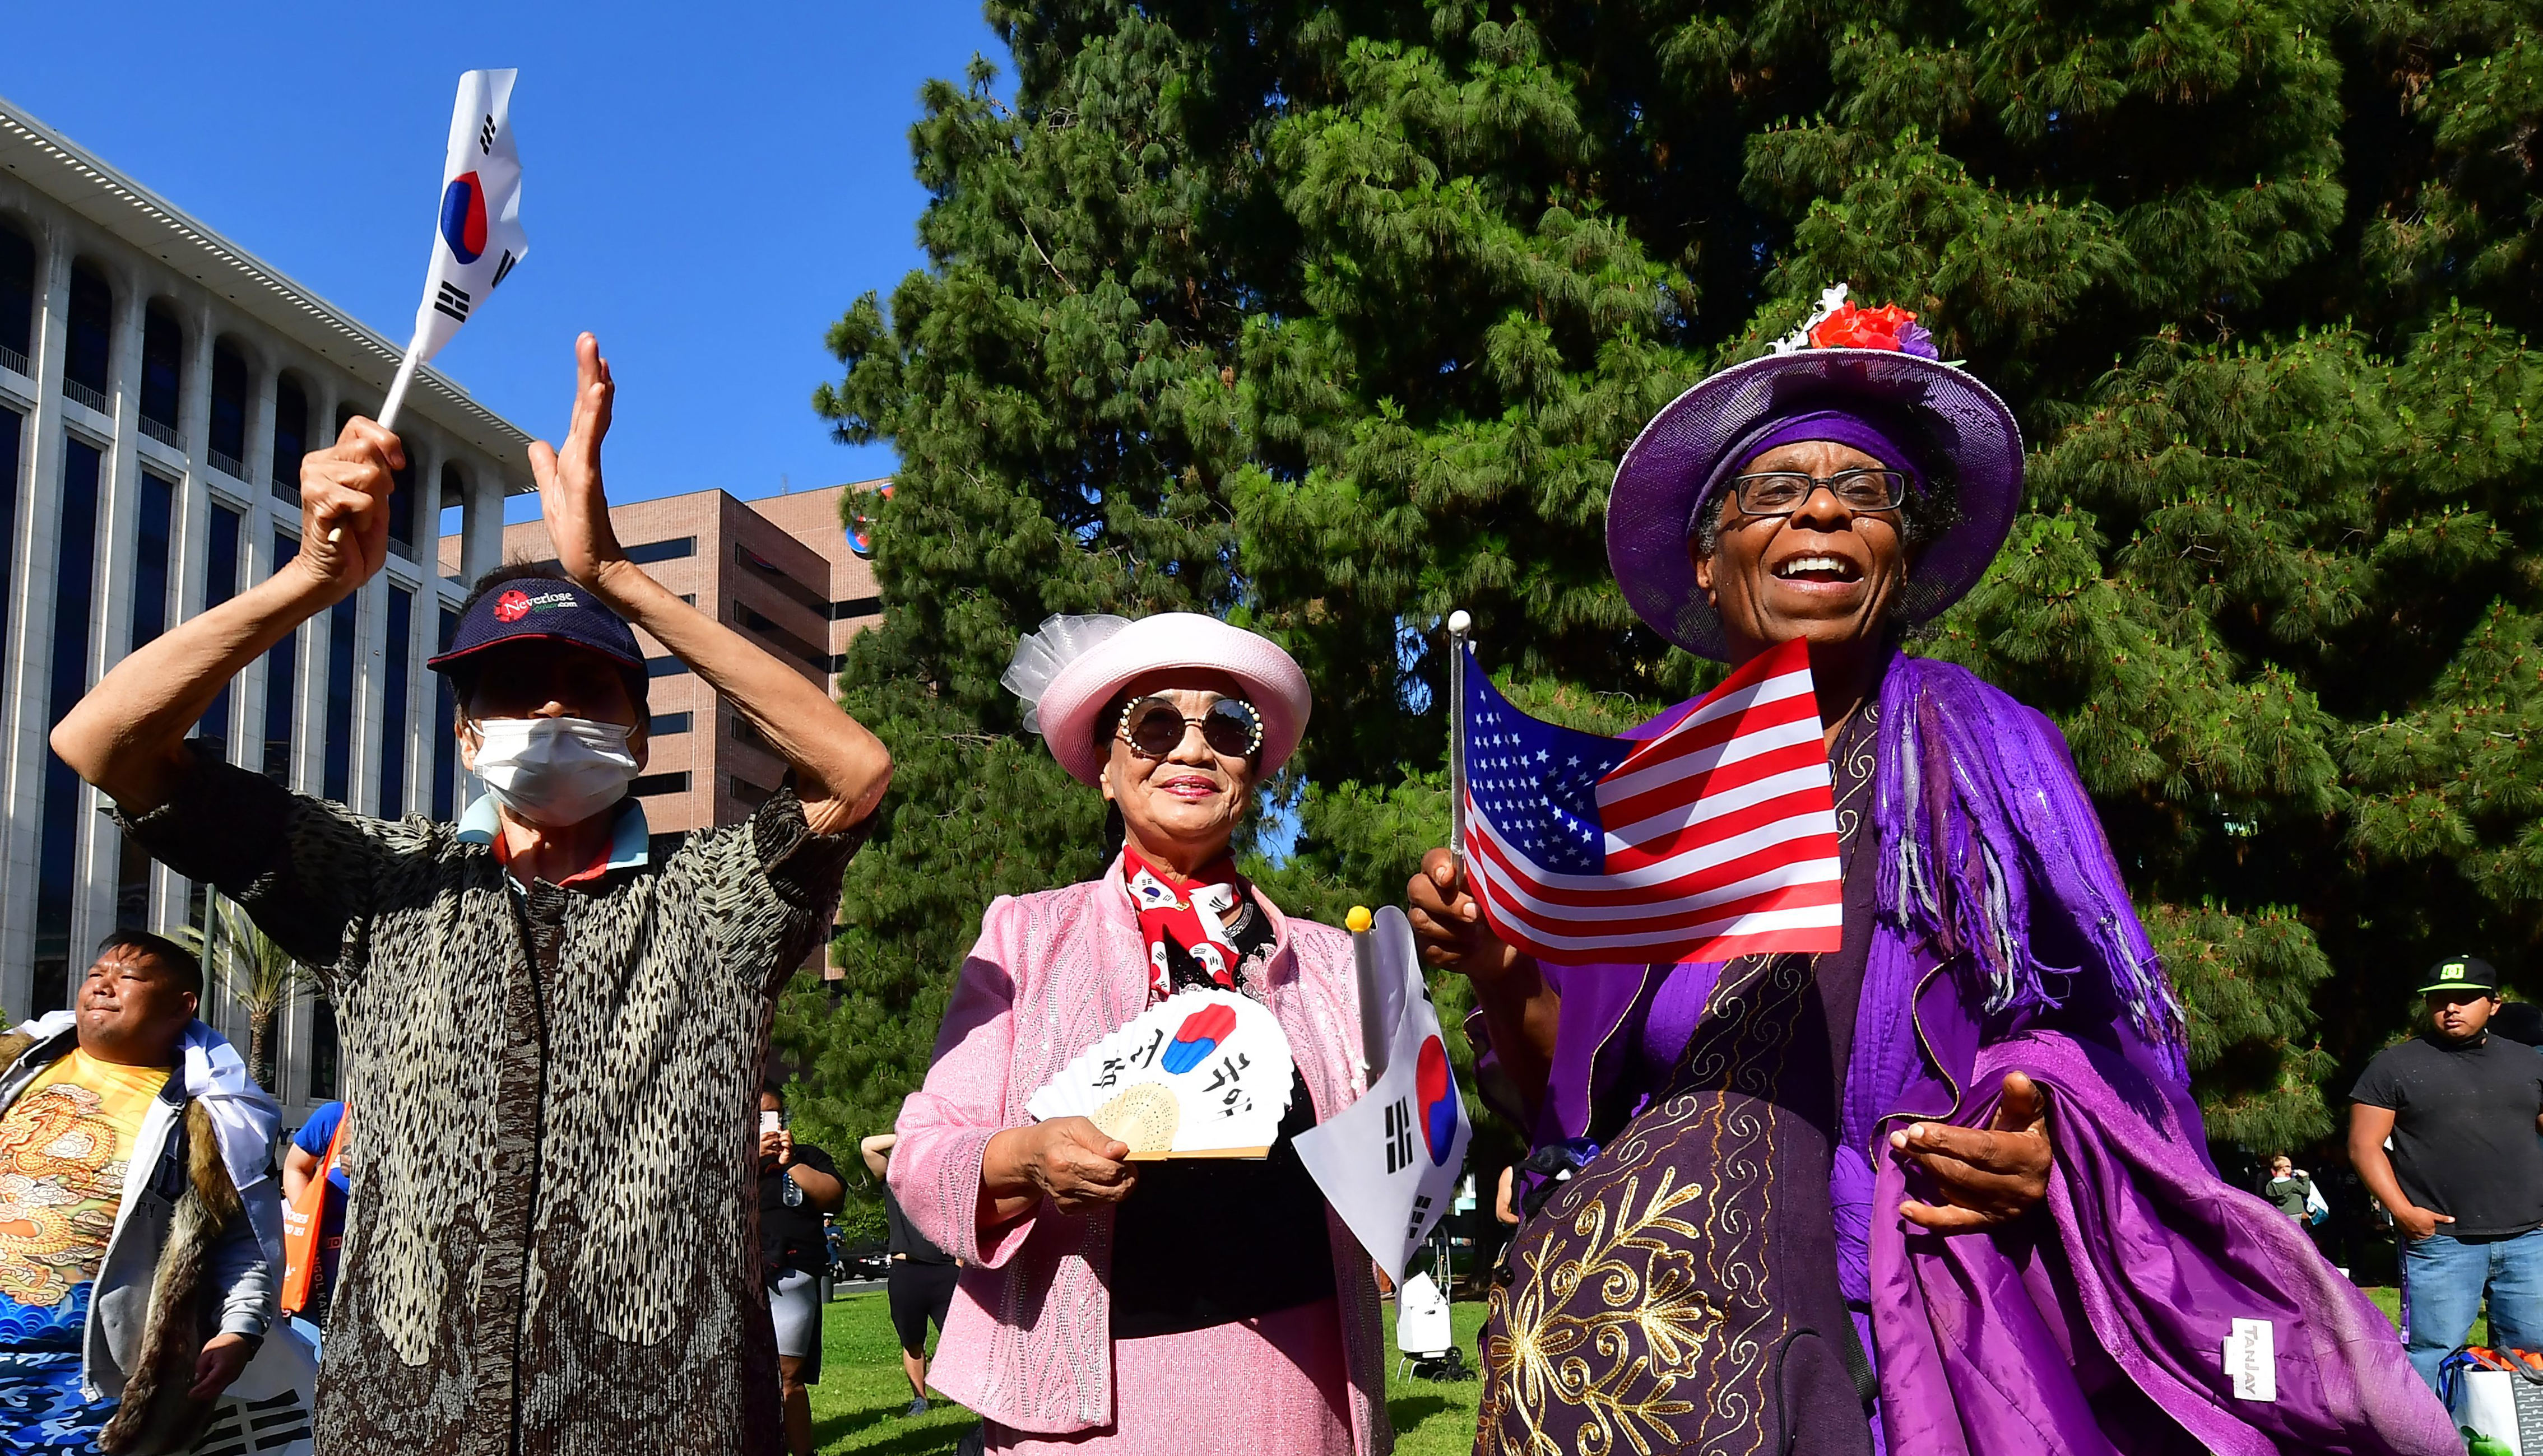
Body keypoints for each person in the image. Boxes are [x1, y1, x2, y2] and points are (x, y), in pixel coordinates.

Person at [1412, 290, 2454, 1454]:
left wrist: (2051, 1145)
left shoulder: (1981, 751)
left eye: (1864, 493)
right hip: (1612, 1352)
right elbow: (1577, 1082)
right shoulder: (1655, 782)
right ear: (1710, 565)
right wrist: (1501, 963)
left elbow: (2114, 1039)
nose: (1821, 509)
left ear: (1901, 558)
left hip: (1886, 1324)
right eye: (1773, 491)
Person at [47, 334, 893, 1456]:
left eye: (588, 684)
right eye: (514, 688)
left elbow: (853, 770)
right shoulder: (384, 884)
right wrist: (311, 580)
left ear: (641, 729)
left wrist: (618, 581)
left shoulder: (711, 902)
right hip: (406, 1426)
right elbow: (104, 740)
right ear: (465, 730)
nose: (550, 711)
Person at [891, 612, 1391, 1455]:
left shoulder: (1334, 962)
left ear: (1253, 768)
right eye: (1154, 724)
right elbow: (922, 1156)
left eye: (1227, 727)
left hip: (1300, 1393)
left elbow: (1397, 1153)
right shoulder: (1024, 934)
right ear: (1106, 772)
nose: (1193, 749)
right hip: (1093, 1406)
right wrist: (1030, 1157)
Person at [1, 931, 296, 1453]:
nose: (103, 987)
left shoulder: (216, 1118)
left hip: (87, 1381)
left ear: (182, 1005)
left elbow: (244, 1237)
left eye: (128, 978)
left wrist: (240, 1327)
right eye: (96, 974)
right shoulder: (15, 1067)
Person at [2350, 956, 2543, 1390]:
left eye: (2464, 998)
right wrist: (2402, 1211)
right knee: (2433, 1353)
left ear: (2494, 1004)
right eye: (2439, 1000)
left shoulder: (2529, 1063)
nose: (2451, 1008)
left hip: (2530, 1238)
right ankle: (2434, 1442)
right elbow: (2364, 1146)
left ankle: (2523, 1439)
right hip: (2441, 1243)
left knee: (2533, 1351)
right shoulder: (2394, 1065)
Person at [760, 1086, 844, 1456]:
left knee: (788, 1378)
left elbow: (832, 1195)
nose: (770, 1124)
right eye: (760, 1116)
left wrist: (790, 1162)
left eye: (775, 1115)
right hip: (737, 1279)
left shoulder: (808, 1157)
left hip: (793, 1274)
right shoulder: (726, 1160)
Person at [861, 1131, 957, 1416]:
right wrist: (914, 1132)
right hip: (906, 1272)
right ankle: (920, 1399)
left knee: (956, 1338)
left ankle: (969, 1396)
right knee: (912, 1341)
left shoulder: (945, 1180)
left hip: (945, 1270)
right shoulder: (893, 1179)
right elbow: (868, 1147)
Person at [281, 1099, 350, 1338]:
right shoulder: (336, 1117)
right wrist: (307, 1220)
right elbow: (294, 1168)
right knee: (312, 1366)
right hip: (319, 1274)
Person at [2262, 1154, 2317, 1224]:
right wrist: (2305, 1178)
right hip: (2295, 1214)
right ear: (2284, 1169)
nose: (2291, 1169)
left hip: (2280, 1214)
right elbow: (2306, 1191)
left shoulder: (2270, 1185)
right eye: (2289, 1166)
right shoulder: (2293, 1183)